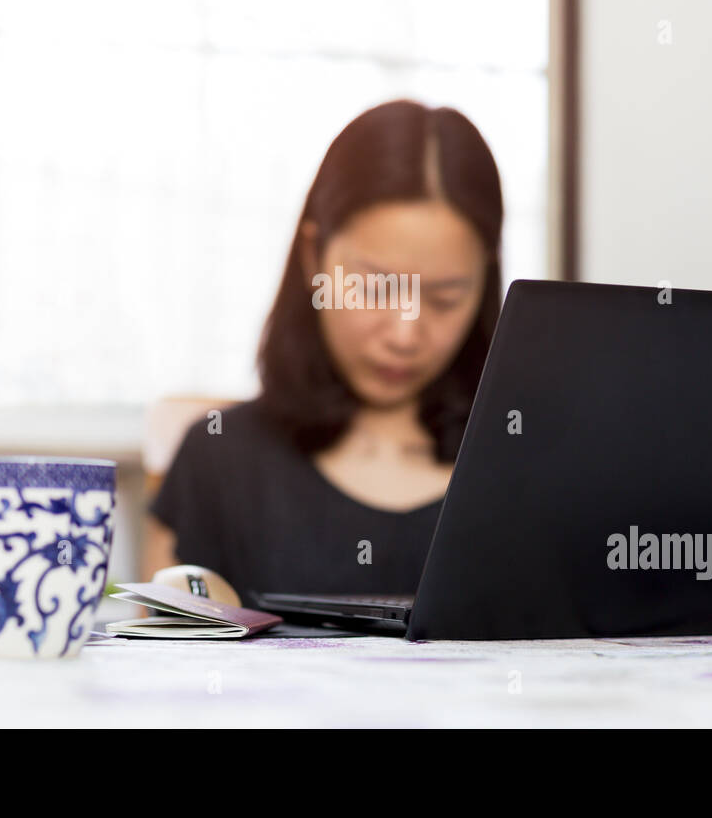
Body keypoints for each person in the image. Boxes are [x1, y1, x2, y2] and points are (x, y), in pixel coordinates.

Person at [142, 98, 505, 604]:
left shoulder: (527, 471)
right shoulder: (217, 465)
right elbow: (164, 664)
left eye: (446, 297)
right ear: (315, 256)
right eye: (376, 288)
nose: (405, 334)